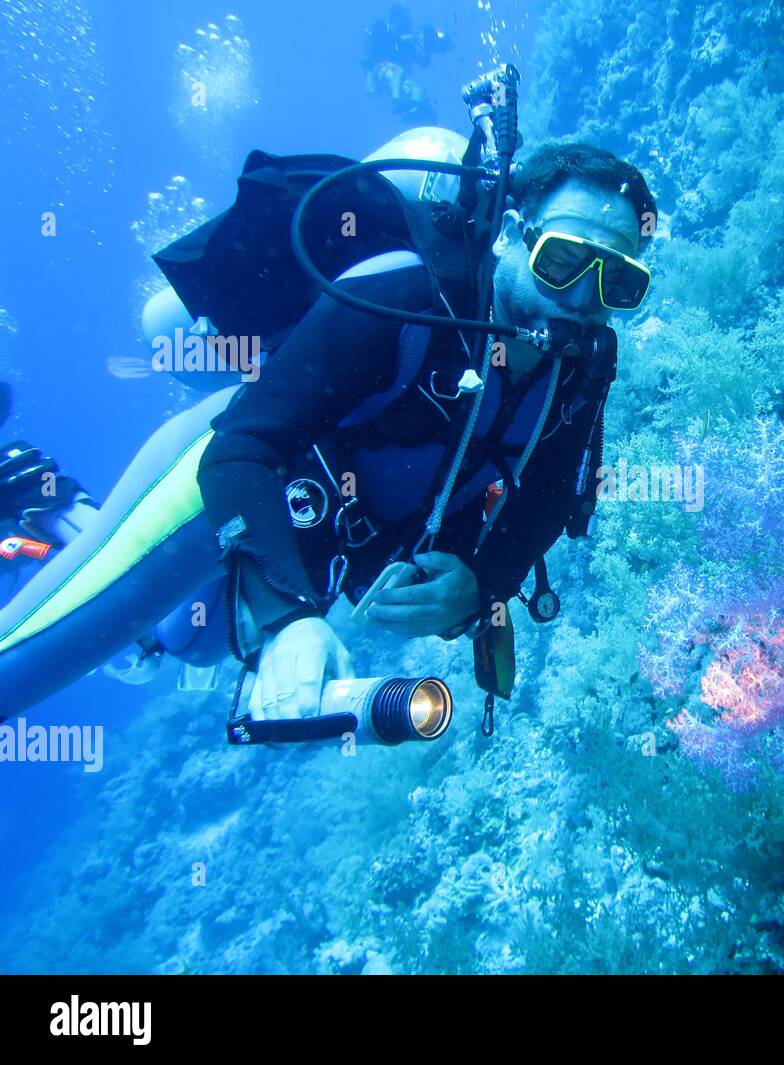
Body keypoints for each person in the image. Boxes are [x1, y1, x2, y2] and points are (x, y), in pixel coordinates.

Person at [0, 123, 657, 724]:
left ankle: (53, 511)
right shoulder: (401, 296)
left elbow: (548, 498)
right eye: (564, 261)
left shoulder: (583, 362)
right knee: (27, 669)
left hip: (309, 549)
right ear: (514, 235)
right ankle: (60, 518)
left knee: (181, 640)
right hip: (213, 488)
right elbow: (243, 449)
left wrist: (480, 583)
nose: (583, 298)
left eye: (618, 282)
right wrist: (289, 619)